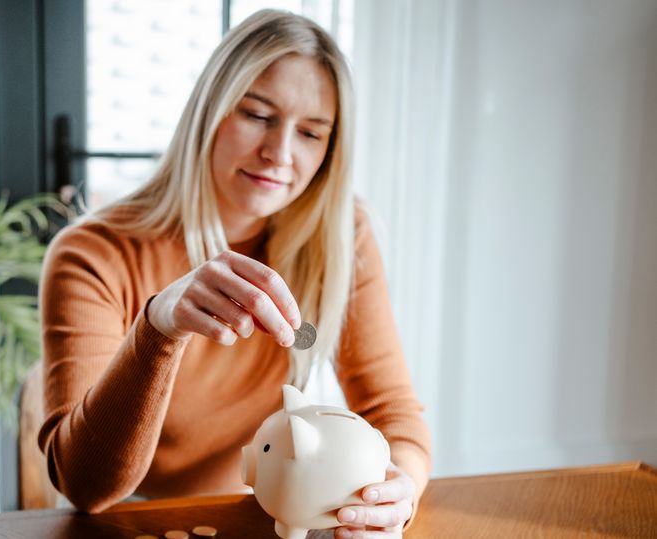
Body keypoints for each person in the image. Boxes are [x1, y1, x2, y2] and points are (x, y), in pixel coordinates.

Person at [38, 9, 431, 538]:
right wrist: (158, 327)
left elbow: (392, 411)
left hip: (257, 517)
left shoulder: (341, 237)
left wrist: (397, 492)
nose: (279, 154)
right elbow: (86, 488)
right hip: (130, 522)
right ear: (210, 110)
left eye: (312, 133)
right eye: (258, 115)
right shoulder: (92, 253)